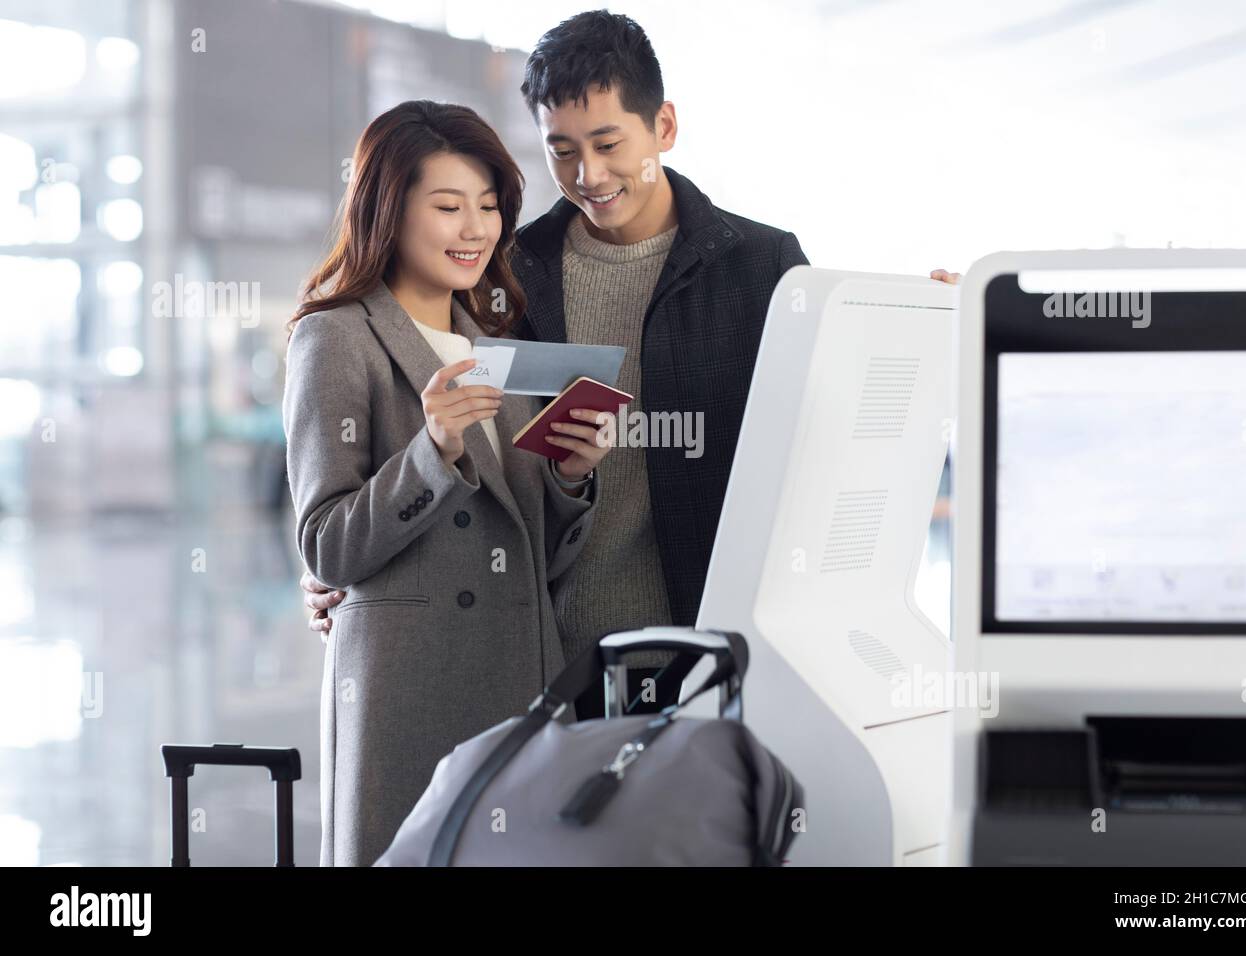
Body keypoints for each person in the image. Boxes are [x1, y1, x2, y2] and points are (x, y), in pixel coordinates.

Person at [301, 11, 959, 720]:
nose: (589, 175)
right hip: (554, 659)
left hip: (714, 651)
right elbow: (456, 463)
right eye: (561, 151)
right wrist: (348, 576)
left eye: (609, 143)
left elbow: (832, 419)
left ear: (664, 128)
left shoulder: (760, 268)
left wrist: (921, 329)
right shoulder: (512, 275)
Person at [284, 100, 611, 866]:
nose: (476, 229)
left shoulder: (499, 349)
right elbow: (327, 544)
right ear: (388, 211)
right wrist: (432, 449)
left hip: (516, 683)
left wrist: (568, 477)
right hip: (406, 695)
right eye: (448, 206)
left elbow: (540, 560)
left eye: (491, 207)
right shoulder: (335, 336)